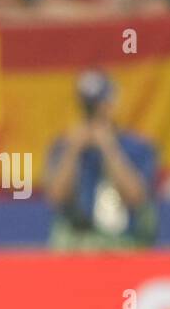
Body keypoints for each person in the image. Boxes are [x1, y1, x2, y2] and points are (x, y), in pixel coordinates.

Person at [45, 70, 158, 249]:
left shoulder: (137, 147)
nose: (95, 114)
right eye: (89, 108)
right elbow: (56, 197)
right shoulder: (65, 145)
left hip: (123, 240)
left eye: (101, 105)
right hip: (77, 241)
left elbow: (136, 197)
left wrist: (109, 148)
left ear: (112, 104)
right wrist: (72, 152)